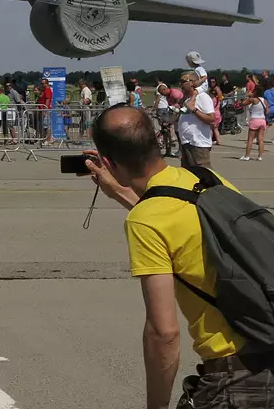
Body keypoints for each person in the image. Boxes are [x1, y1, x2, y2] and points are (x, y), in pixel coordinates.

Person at [84, 106, 273, 409]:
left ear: (107, 162)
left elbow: (164, 333)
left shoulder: (146, 220)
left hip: (237, 378)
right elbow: (180, 225)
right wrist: (121, 194)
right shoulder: (206, 178)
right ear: (156, 140)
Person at [177, 72, 217, 168]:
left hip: (198, 144)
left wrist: (194, 110)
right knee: (188, 175)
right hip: (187, 142)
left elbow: (211, 119)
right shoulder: (188, 99)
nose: (180, 85)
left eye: (183, 82)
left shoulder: (203, 97)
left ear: (193, 83)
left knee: (204, 174)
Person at [241, 80, 268, 162]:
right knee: (261, 139)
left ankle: (247, 156)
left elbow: (243, 103)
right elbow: (267, 111)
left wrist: (248, 96)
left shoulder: (253, 100)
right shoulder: (264, 101)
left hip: (255, 120)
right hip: (262, 120)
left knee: (250, 139)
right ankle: (260, 156)